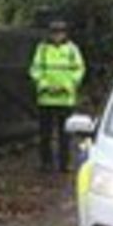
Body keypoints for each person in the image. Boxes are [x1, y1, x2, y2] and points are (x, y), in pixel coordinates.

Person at [29, 19, 85, 172]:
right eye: (54, 33)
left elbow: (79, 70)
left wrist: (67, 86)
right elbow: (35, 70)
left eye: (60, 33)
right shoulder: (42, 49)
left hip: (66, 98)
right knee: (45, 134)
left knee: (65, 135)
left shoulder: (72, 49)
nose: (57, 36)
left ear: (65, 34)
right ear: (50, 34)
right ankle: (46, 163)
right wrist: (45, 86)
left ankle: (65, 164)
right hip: (46, 98)